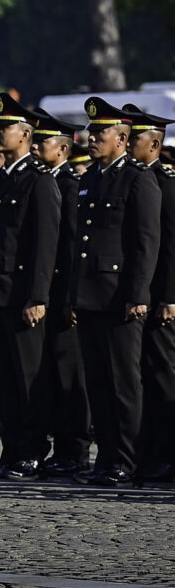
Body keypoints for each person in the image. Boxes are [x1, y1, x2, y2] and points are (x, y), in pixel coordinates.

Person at [71, 98, 159, 486]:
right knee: (98, 384)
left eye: (100, 132)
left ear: (122, 138)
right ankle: (106, 457)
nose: (91, 137)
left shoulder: (138, 179)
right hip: (90, 295)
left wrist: (138, 294)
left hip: (120, 296)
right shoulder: (90, 178)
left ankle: (126, 459)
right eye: (91, 131)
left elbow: (146, 242)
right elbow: (82, 242)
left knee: (124, 384)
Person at [0, 93, 62, 480]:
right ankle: (11, 450)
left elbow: (46, 245)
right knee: (5, 380)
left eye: (3, 127)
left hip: (22, 294)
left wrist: (38, 295)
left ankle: (32, 451)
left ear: (25, 134)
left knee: (29, 380)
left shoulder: (38, 181)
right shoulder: (0, 180)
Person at [30, 110, 92, 477]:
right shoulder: (45, 180)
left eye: (44, 141)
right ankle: (61, 447)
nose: (37, 147)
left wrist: (70, 296)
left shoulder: (69, 184)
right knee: (51, 373)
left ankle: (75, 449)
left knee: (70, 375)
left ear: (64, 149)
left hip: (64, 293)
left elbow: (71, 247)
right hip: (47, 291)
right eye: (35, 140)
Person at [123, 104, 175, 481]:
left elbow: (171, 245)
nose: (127, 144)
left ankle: (166, 453)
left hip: (161, 298)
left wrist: (169, 297)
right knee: (142, 377)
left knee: (163, 377)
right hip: (140, 293)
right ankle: (149, 451)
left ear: (154, 144)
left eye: (135, 138)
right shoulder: (134, 179)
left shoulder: (166, 182)